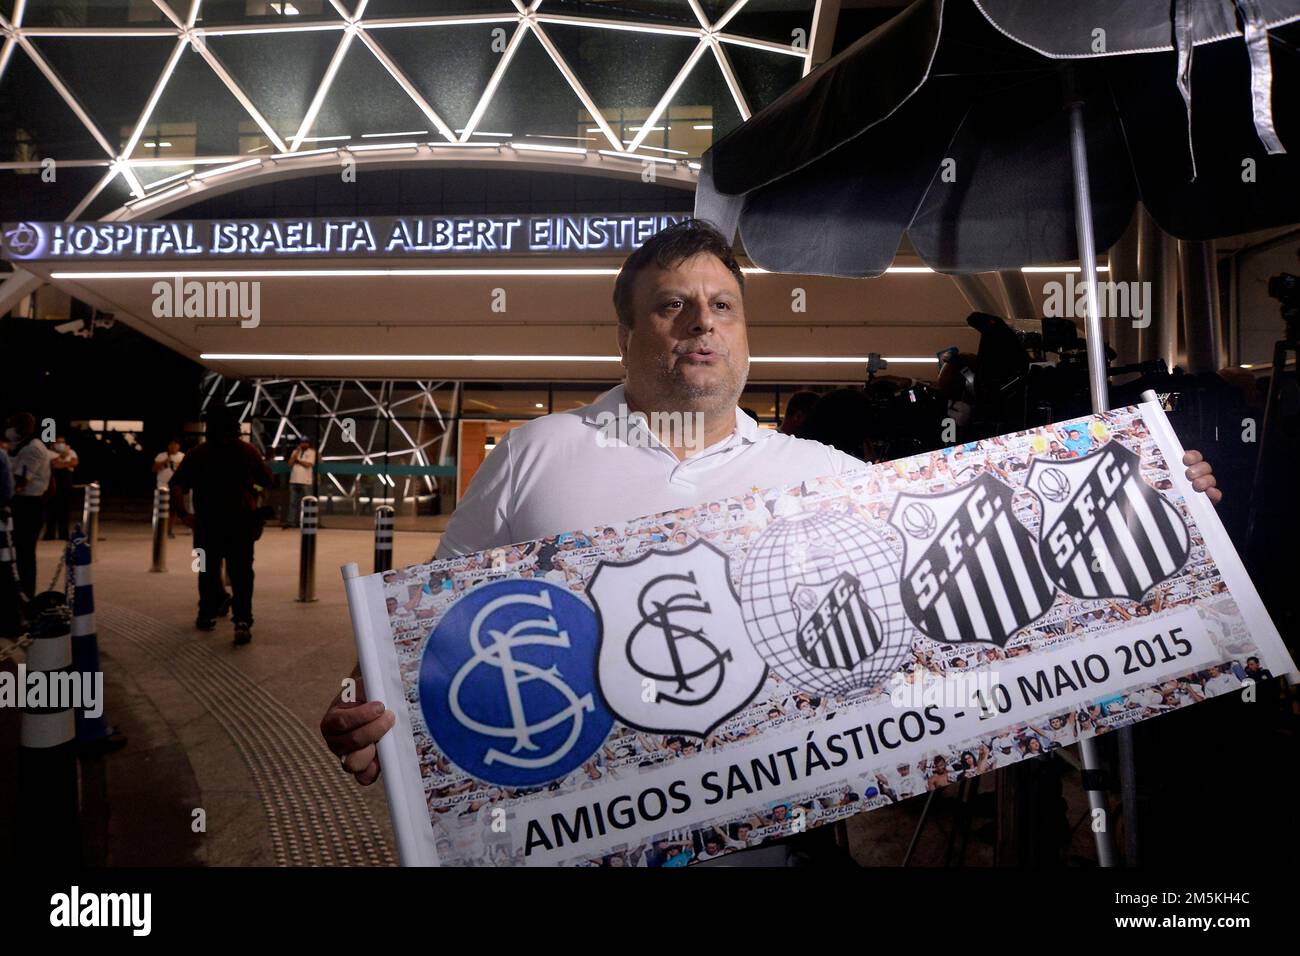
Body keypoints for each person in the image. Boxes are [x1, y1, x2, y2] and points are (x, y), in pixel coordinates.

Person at [319, 218, 1226, 793]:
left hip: (766, 836)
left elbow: (973, 598)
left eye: (722, 307)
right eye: (672, 307)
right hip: (559, 832)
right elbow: (433, 638)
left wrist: (1162, 510)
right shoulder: (535, 453)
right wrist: (375, 724)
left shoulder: (824, 474)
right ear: (627, 333)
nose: (702, 325)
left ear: (747, 334)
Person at [170, 408, 273, 645]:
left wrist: (185, 515)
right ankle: (242, 620)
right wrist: (256, 507)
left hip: (207, 525)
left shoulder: (198, 453)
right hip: (241, 524)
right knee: (242, 574)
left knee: (206, 570)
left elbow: (176, 486)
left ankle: (207, 613)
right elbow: (267, 481)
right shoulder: (248, 452)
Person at [5, 412, 50, 600]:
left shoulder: (33, 448)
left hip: (28, 505)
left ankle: (27, 594)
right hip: (22, 504)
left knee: (25, 554)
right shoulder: (22, 447)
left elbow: (20, 480)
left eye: (13, 425)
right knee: (19, 552)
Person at [43, 435, 78, 541]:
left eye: (62, 442)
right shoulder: (49, 453)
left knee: (65, 510)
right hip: (53, 484)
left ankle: (64, 534)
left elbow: (74, 462)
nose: (60, 444)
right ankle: (50, 534)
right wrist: (65, 460)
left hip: (66, 485)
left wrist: (61, 462)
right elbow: (54, 465)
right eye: (58, 442)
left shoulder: (72, 452)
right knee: (51, 510)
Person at [153, 439, 185, 539]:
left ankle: (169, 530)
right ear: (168, 445)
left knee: (173, 509)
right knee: (161, 509)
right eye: (171, 444)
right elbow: (154, 469)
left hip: (176, 486)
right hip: (162, 485)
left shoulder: (182, 456)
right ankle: (159, 529)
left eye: (176, 444)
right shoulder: (161, 455)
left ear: (179, 446)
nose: (173, 446)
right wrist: (164, 461)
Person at [284, 438, 316, 528]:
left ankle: (308, 522)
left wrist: (298, 461)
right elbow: (290, 464)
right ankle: (291, 522)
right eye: (302, 443)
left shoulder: (311, 452)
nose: (303, 444)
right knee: (292, 502)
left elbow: (308, 464)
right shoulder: (295, 451)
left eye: (305, 442)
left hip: (306, 481)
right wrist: (296, 454)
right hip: (294, 480)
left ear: (308, 444)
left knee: (308, 502)